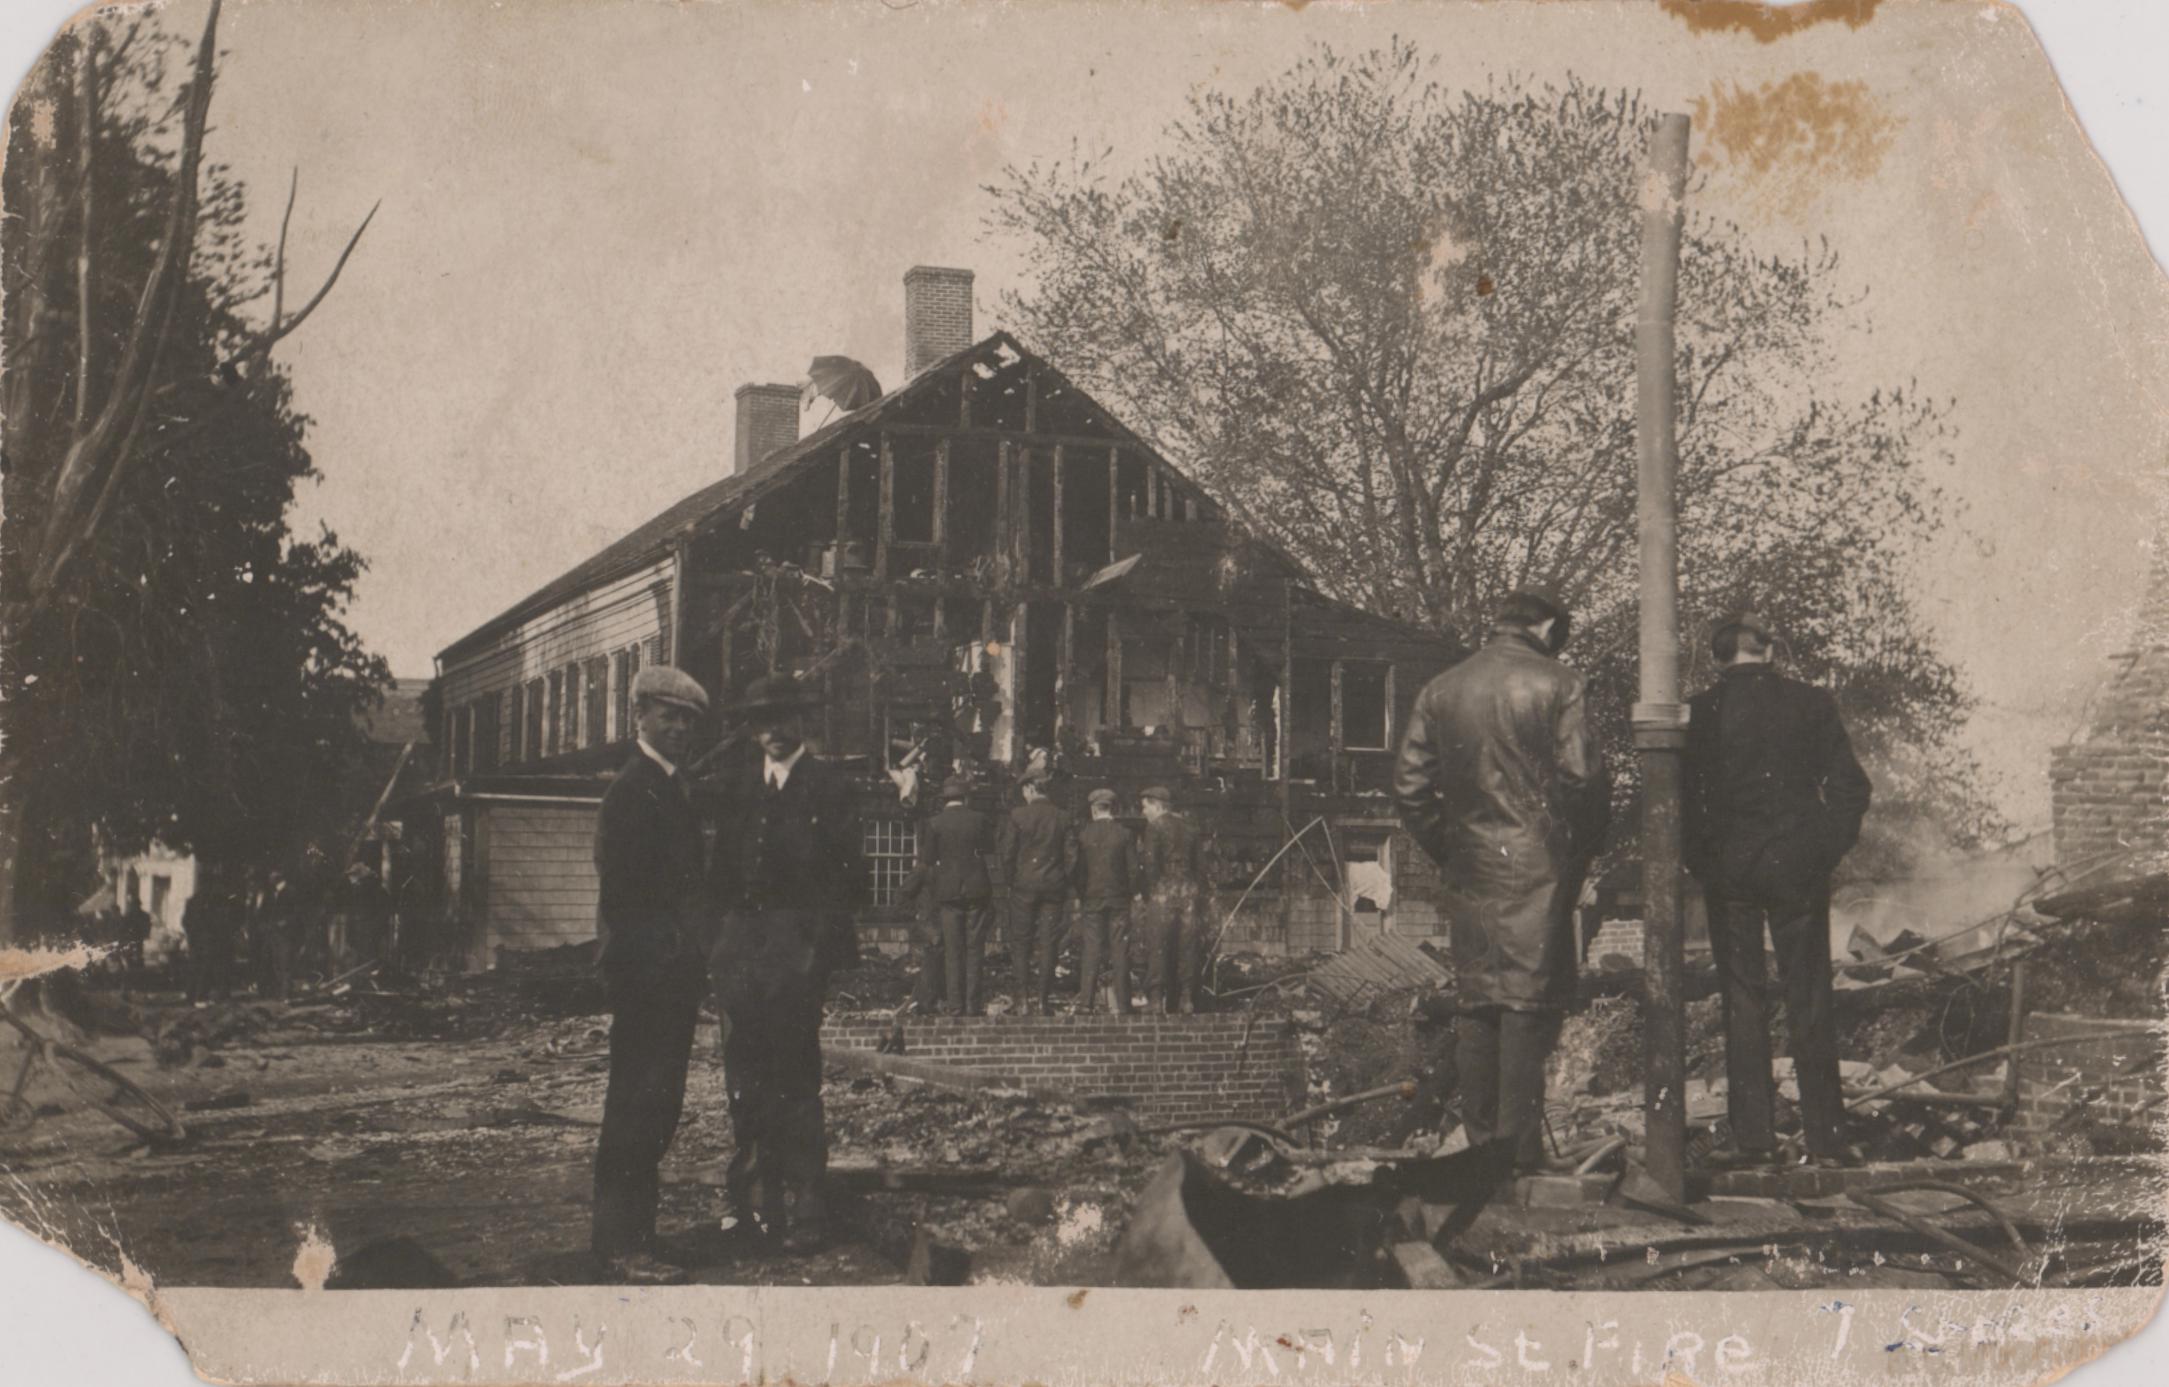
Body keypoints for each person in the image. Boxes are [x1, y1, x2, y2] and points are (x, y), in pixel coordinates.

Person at [1393, 586, 1610, 1172]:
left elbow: (1410, 788)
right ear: (1545, 628)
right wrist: (1577, 849)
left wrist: (1452, 849)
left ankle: (1482, 1145)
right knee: (1525, 1001)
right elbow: (1581, 778)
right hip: (1537, 863)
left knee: (1477, 998)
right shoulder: (1561, 682)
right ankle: (1518, 1155)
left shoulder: (1442, 688)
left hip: (1471, 864)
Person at [1684, 611, 1872, 1169]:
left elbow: (1684, 805)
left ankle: (1754, 1141)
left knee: (1743, 999)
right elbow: (1850, 788)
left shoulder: (1699, 712)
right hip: (1798, 867)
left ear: (1719, 659)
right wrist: (1822, 850)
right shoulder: (1811, 703)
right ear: (1768, 653)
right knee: (1810, 996)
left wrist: (1706, 863)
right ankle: (1827, 1141)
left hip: (1730, 871)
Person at [708, 673, 864, 1252]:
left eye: (783, 720)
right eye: (761, 722)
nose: (773, 732)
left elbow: (851, 879)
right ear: (752, 730)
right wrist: (718, 946)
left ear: (803, 723)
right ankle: (750, 1204)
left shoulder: (829, 787)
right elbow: (718, 874)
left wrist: (814, 949)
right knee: (744, 1079)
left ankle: (807, 1205)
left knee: (796, 1078)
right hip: (741, 960)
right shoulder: (737, 787)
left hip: (799, 959)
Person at [589, 665, 712, 1285]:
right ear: (639, 716)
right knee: (637, 1107)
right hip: (646, 977)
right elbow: (625, 899)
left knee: (656, 1107)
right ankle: (619, 1245)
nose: (681, 728)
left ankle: (637, 1236)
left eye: (688, 719)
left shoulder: (668, 786)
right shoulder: (634, 790)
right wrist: (666, 957)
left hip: (668, 976)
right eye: (669, 715)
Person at [998, 770, 1075, 1014]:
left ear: (1030, 789)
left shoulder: (1017, 816)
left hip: (1023, 887)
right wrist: (1062, 880)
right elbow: (1072, 857)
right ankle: (1043, 1001)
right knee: (1048, 943)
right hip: (1053, 888)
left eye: (1023, 790)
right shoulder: (1062, 817)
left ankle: (1022, 1001)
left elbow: (1007, 854)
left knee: (1021, 943)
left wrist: (1013, 881)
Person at [919, 775, 993, 1014]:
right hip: (976, 889)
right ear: (965, 797)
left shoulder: (935, 823)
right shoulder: (979, 819)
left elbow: (928, 859)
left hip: (948, 892)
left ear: (945, 799)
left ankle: (955, 1006)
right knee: (974, 949)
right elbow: (988, 848)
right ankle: (973, 1006)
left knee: (953, 950)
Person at [1138, 785, 1211, 1013]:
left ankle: (1157, 999)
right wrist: (1196, 892)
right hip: (1188, 891)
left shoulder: (1154, 828)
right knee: (1187, 946)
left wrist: (1150, 894)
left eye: (1146, 807)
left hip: (1163, 890)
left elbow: (1150, 865)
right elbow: (1201, 867)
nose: (1144, 812)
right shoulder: (1190, 828)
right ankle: (1187, 998)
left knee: (1158, 945)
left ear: (1158, 806)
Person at [1072, 787, 1139, 1014]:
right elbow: (1132, 871)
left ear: (1093, 809)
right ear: (1113, 808)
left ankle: (1086, 1003)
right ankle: (1124, 1004)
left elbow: (1079, 872)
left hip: (1092, 899)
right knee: (1120, 950)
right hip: (1119, 900)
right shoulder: (1125, 833)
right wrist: (1129, 894)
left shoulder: (1084, 835)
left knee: (1091, 949)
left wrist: (1083, 895)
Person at [182, 869, 237, 1004]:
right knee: (205, 968)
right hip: (208, 940)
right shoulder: (214, 901)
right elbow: (216, 921)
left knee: (196, 967)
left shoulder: (192, 900)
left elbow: (185, 921)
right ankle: (201, 996)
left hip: (196, 940)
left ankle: (192, 995)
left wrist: (191, 934)